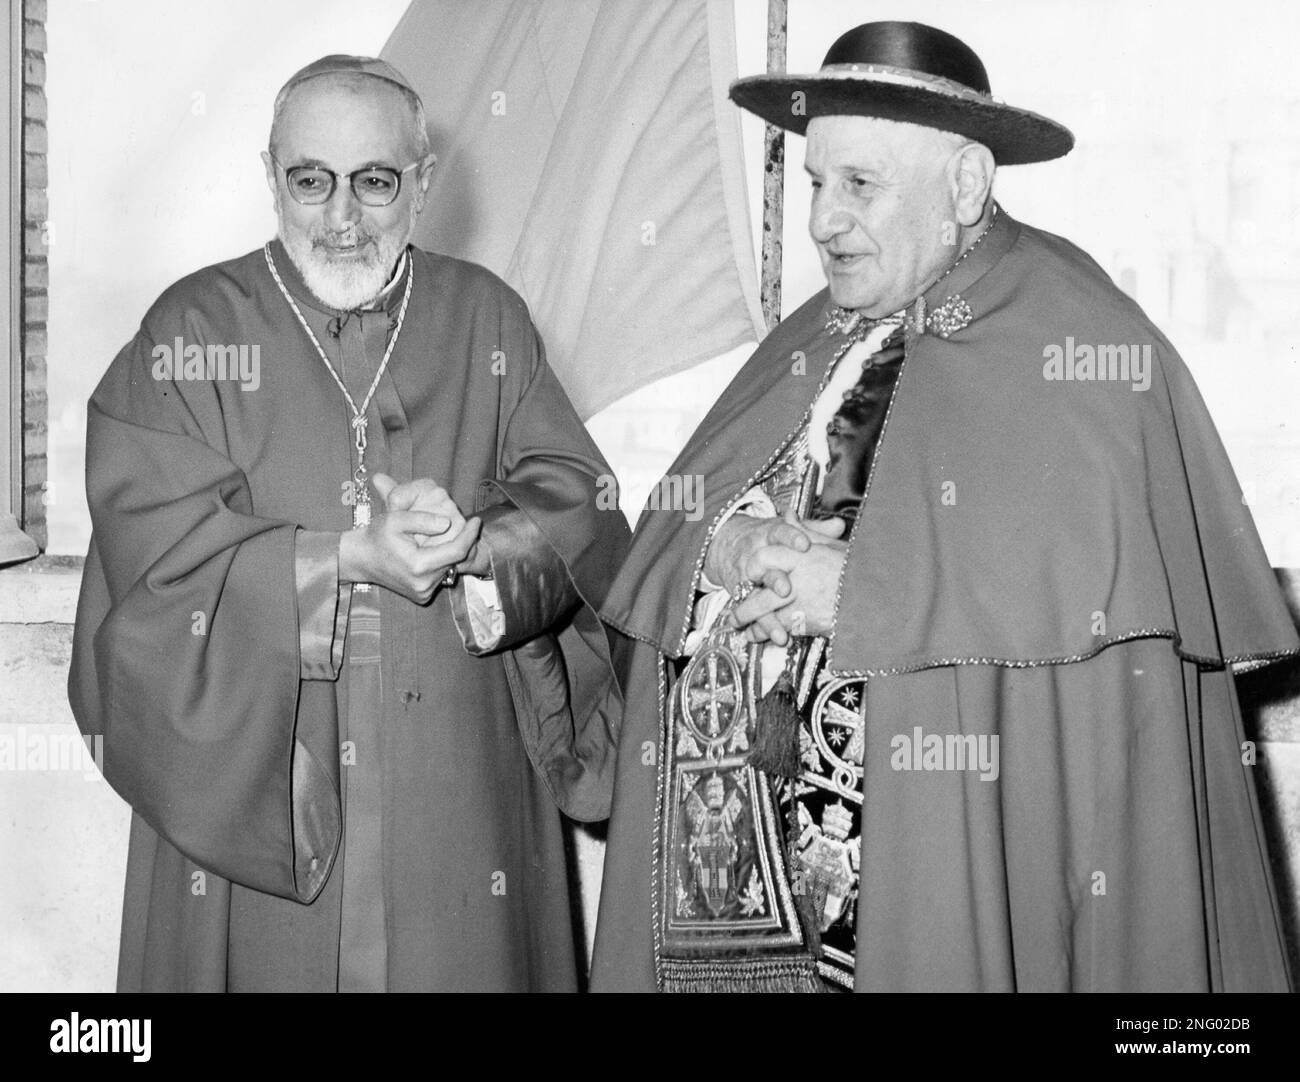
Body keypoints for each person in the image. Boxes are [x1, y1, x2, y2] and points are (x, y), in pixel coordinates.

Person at [590, 21, 1297, 992]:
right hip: (756, 891)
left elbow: (1080, 647)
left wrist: (861, 595)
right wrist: (733, 543)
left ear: (964, 184)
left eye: (859, 185)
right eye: (814, 183)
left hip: (953, 873)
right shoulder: (820, 327)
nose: (824, 222)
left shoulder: (1082, 340)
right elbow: (681, 524)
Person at [69, 55, 629, 992]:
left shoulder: (485, 319)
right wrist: (335, 562)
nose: (341, 217)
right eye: (310, 181)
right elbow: (147, 565)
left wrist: (478, 547)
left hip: (456, 771)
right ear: (271, 177)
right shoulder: (191, 329)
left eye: (374, 182)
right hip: (258, 773)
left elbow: (583, 506)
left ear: (421, 181)